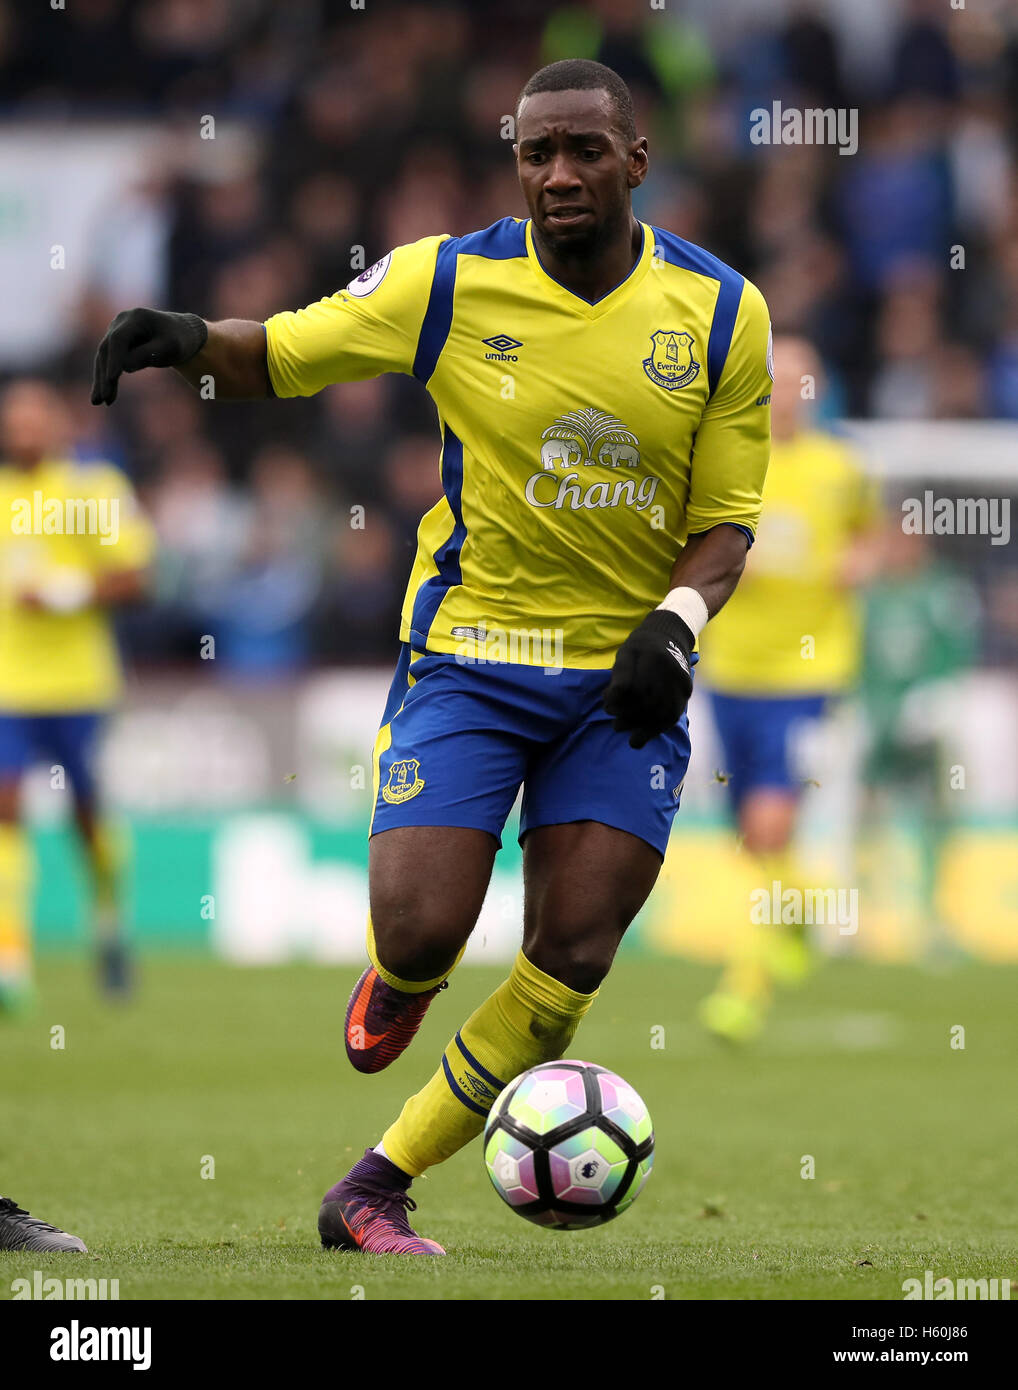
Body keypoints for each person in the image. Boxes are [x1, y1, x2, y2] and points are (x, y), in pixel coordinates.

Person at [91, 59, 772, 1253]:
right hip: (470, 652)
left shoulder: (721, 314)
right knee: (418, 930)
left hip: (625, 678)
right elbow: (285, 353)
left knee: (571, 954)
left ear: (635, 162)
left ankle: (372, 1186)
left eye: (582, 151)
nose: (557, 173)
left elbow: (725, 524)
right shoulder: (445, 280)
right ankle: (404, 978)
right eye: (534, 152)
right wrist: (189, 336)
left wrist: (675, 623)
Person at [696, 336, 882, 1042]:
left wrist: (857, 563)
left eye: (804, 383)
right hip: (731, 672)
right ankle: (803, 920)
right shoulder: (730, 462)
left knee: (772, 826)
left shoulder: (842, 469)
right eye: (779, 383)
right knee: (754, 836)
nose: (788, 396)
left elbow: (873, 537)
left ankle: (743, 992)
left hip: (809, 676)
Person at [0, 381, 154, 1008]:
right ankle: (11, 955)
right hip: (10, 686)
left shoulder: (92, 491)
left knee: (85, 815)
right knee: (6, 808)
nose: (24, 430)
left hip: (80, 685)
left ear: (60, 425)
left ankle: (110, 921)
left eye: (36, 419)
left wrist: (66, 591)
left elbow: (140, 578)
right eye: (15, 420)